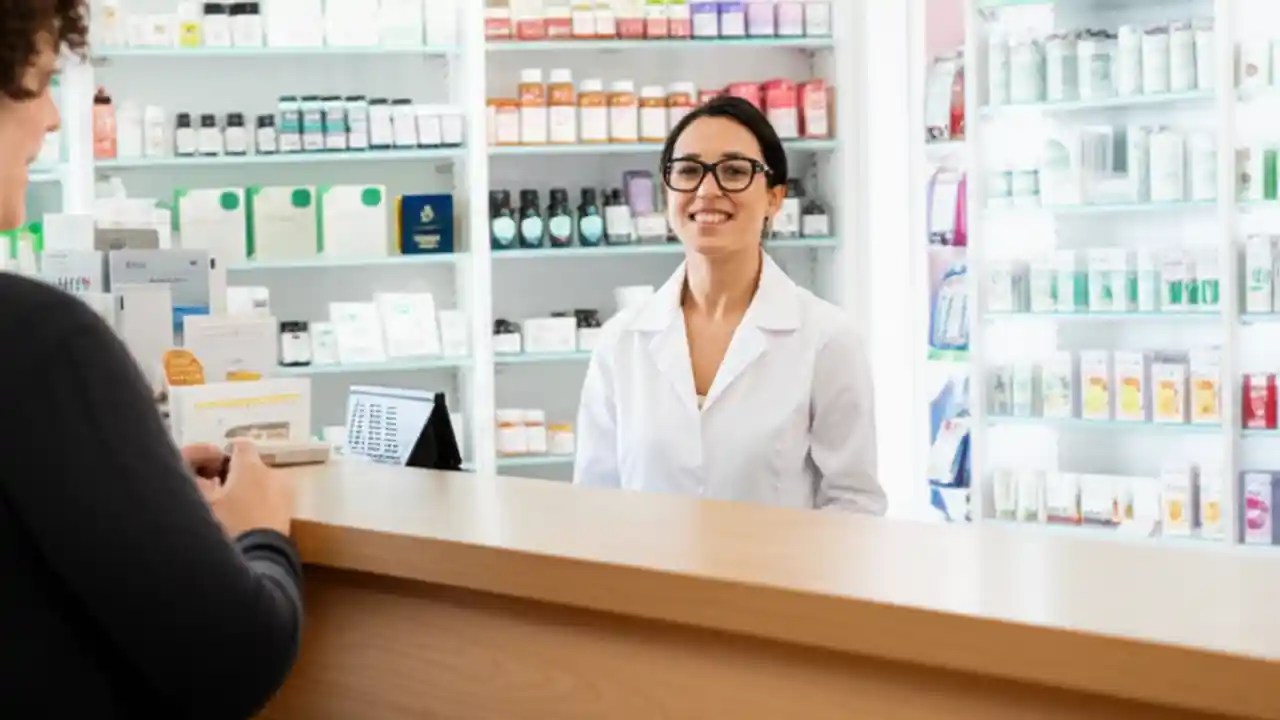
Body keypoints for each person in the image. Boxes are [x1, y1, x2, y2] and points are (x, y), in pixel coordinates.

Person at [0, 3, 303, 717]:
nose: (52, 118)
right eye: (38, 82)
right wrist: (260, 531)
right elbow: (234, 656)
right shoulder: (38, 341)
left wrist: (136, 483)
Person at [573, 96, 885, 514]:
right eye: (687, 171)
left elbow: (854, 503)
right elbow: (596, 504)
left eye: (735, 171)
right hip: (647, 580)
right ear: (667, 192)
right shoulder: (620, 342)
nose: (706, 190)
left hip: (777, 579)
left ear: (775, 197)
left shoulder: (827, 340)